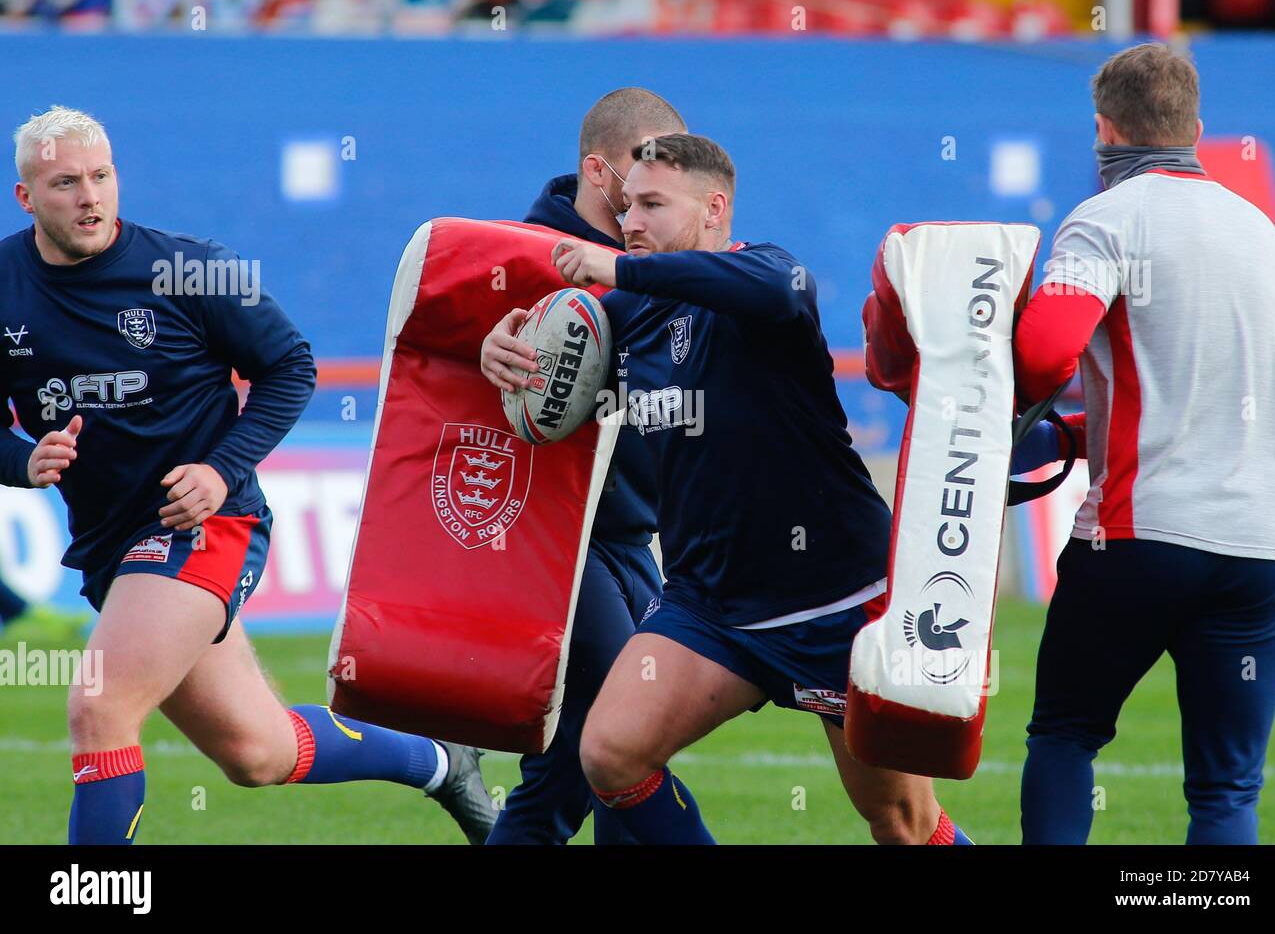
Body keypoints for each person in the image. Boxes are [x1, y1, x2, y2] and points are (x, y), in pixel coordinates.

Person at [1, 106, 495, 844]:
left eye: (101, 176)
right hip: (110, 545)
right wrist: (21, 460)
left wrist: (220, 469)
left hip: (204, 524)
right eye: (66, 182)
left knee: (98, 707)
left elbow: (290, 365)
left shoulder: (186, 268)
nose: (90, 196)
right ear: (27, 197)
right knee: (256, 752)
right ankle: (438, 762)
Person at [551, 133, 972, 845]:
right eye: (627, 208)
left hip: (837, 601)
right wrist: (512, 347)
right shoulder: (627, 316)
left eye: (654, 204)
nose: (632, 224)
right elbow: (556, 349)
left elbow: (774, 290)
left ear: (716, 209)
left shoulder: (768, 277)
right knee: (610, 755)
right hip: (710, 606)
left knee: (902, 822)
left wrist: (617, 269)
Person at [1013, 43, 1275, 844]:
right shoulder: (1261, 230)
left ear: (1104, 130)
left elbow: (1044, 354)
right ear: (1195, 128)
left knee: (1066, 734)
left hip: (1142, 531)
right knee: (1227, 791)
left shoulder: (1107, 218)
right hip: (1260, 538)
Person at [478, 87, 685, 844]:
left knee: (579, 761)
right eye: (648, 162)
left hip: (636, 535)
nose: (667, 178)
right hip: (554, 537)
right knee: (628, 732)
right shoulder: (517, 255)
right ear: (598, 172)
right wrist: (482, 353)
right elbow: (424, 341)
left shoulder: (666, 261)